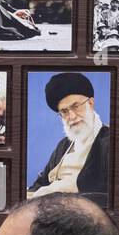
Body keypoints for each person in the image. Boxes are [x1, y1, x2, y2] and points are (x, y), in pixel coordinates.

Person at [27, 72, 110, 207]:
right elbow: (41, 183)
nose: (71, 116)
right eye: (64, 112)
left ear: (91, 103)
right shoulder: (64, 145)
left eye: (76, 106)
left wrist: (53, 190)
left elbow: (100, 185)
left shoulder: (109, 141)